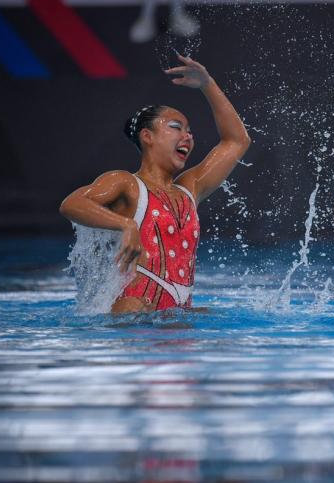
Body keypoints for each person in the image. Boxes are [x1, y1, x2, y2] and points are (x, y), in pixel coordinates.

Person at [60, 54, 250, 313]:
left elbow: (236, 141)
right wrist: (125, 224)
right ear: (147, 136)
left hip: (178, 314)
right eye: (176, 127)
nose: (187, 136)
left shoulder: (189, 188)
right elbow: (71, 204)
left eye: (190, 131)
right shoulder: (126, 183)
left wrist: (208, 84)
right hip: (134, 310)